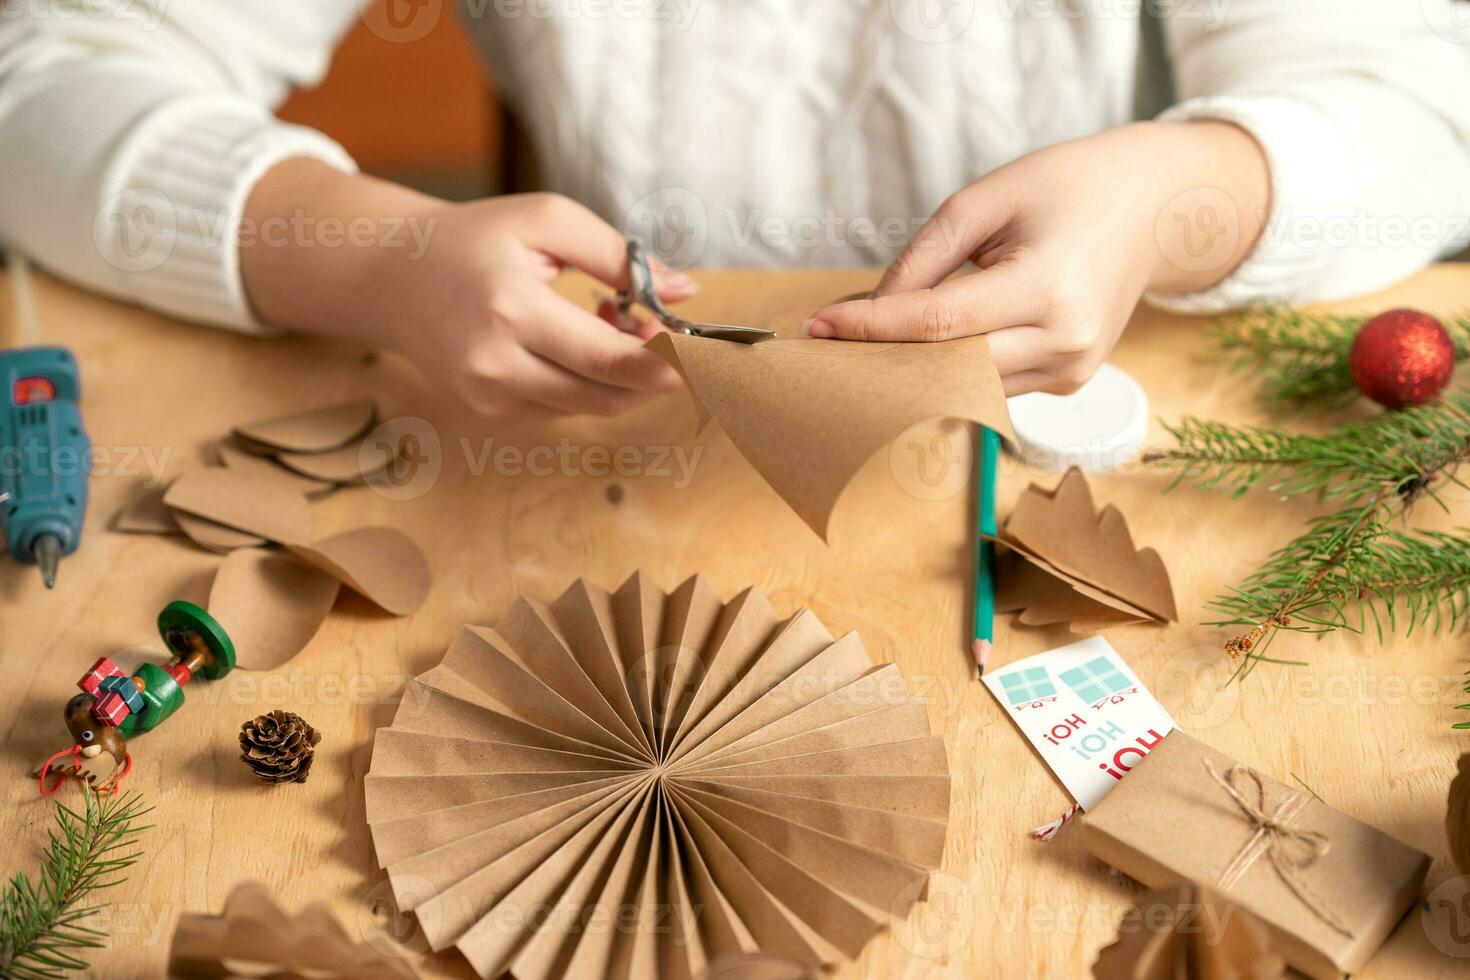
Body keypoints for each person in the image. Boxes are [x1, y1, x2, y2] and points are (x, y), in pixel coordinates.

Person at [1, 2, 1468, 417]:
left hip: (1056, 443)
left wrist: (1178, 194)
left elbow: (1413, 114)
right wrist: (368, 251)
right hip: (601, 442)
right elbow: (43, 79)